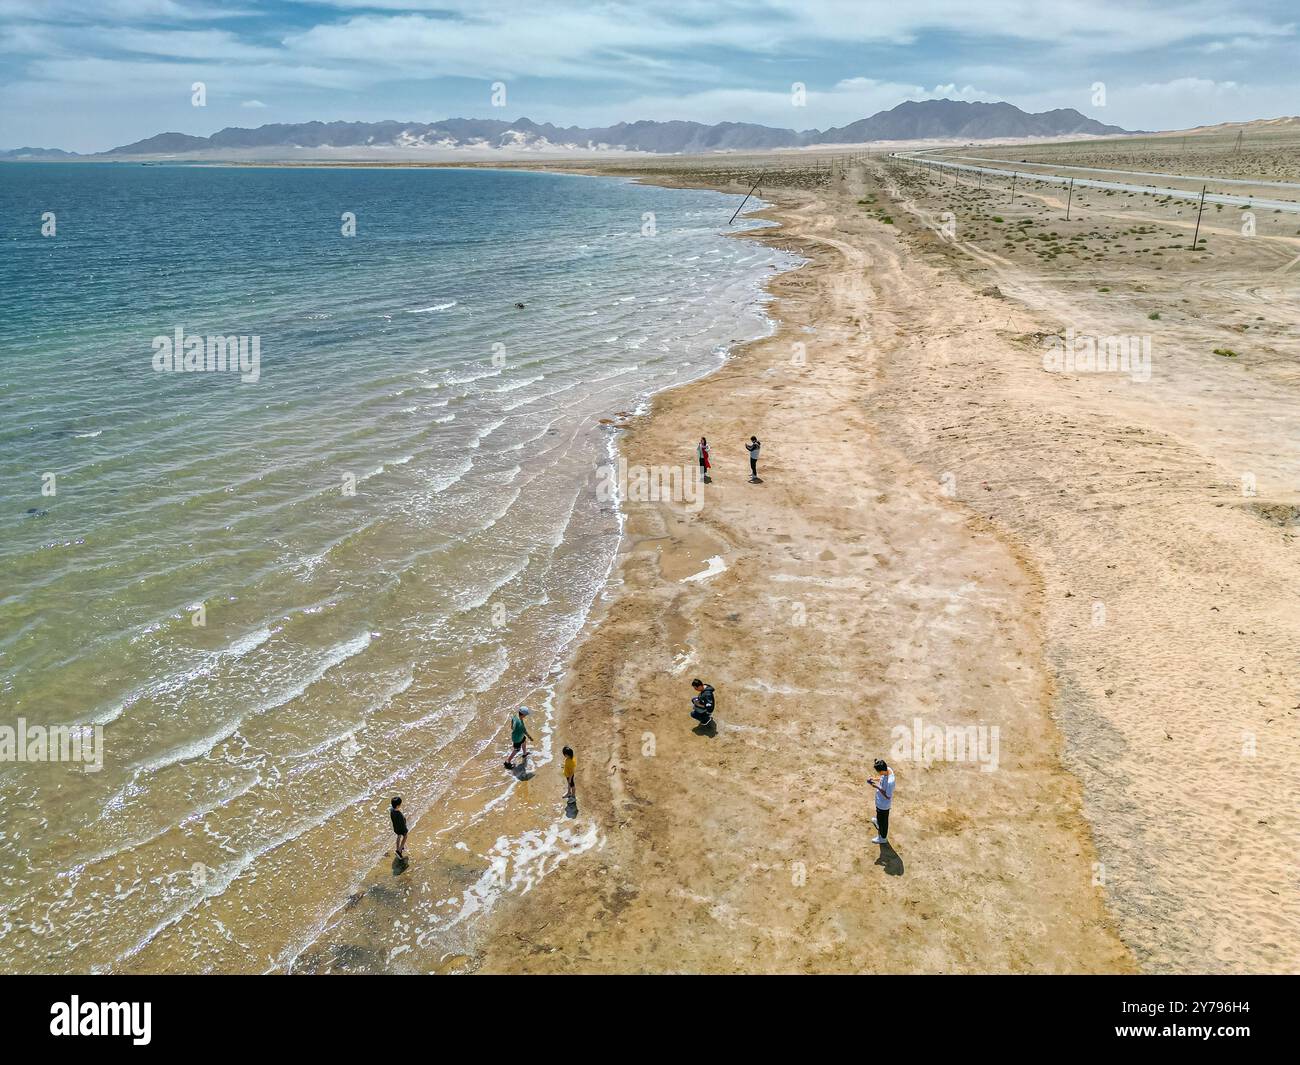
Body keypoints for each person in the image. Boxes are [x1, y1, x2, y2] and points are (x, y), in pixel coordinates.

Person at [867, 758, 896, 844]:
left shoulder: (891, 782)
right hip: (879, 801)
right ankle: (878, 821)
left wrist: (877, 787)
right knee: (879, 816)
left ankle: (883, 838)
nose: (878, 773)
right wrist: (874, 779)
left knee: (883, 822)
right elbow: (882, 778)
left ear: (882, 770)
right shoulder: (887, 769)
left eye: (878, 772)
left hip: (884, 805)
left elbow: (888, 796)